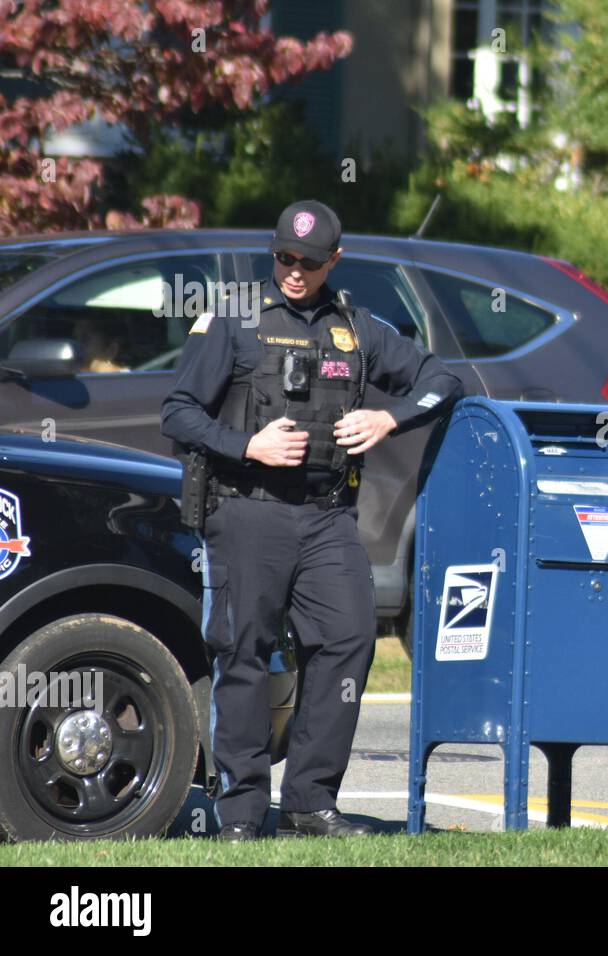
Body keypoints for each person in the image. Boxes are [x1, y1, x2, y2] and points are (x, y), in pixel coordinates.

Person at [161, 200, 464, 840]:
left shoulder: (355, 325)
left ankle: (309, 801)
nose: (294, 271)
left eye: (309, 262)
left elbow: (442, 380)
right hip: (249, 511)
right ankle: (241, 814)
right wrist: (248, 445)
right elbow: (178, 413)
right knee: (244, 654)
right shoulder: (235, 316)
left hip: (327, 520)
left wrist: (390, 418)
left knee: (350, 640)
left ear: (335, 260)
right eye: (284, 258)